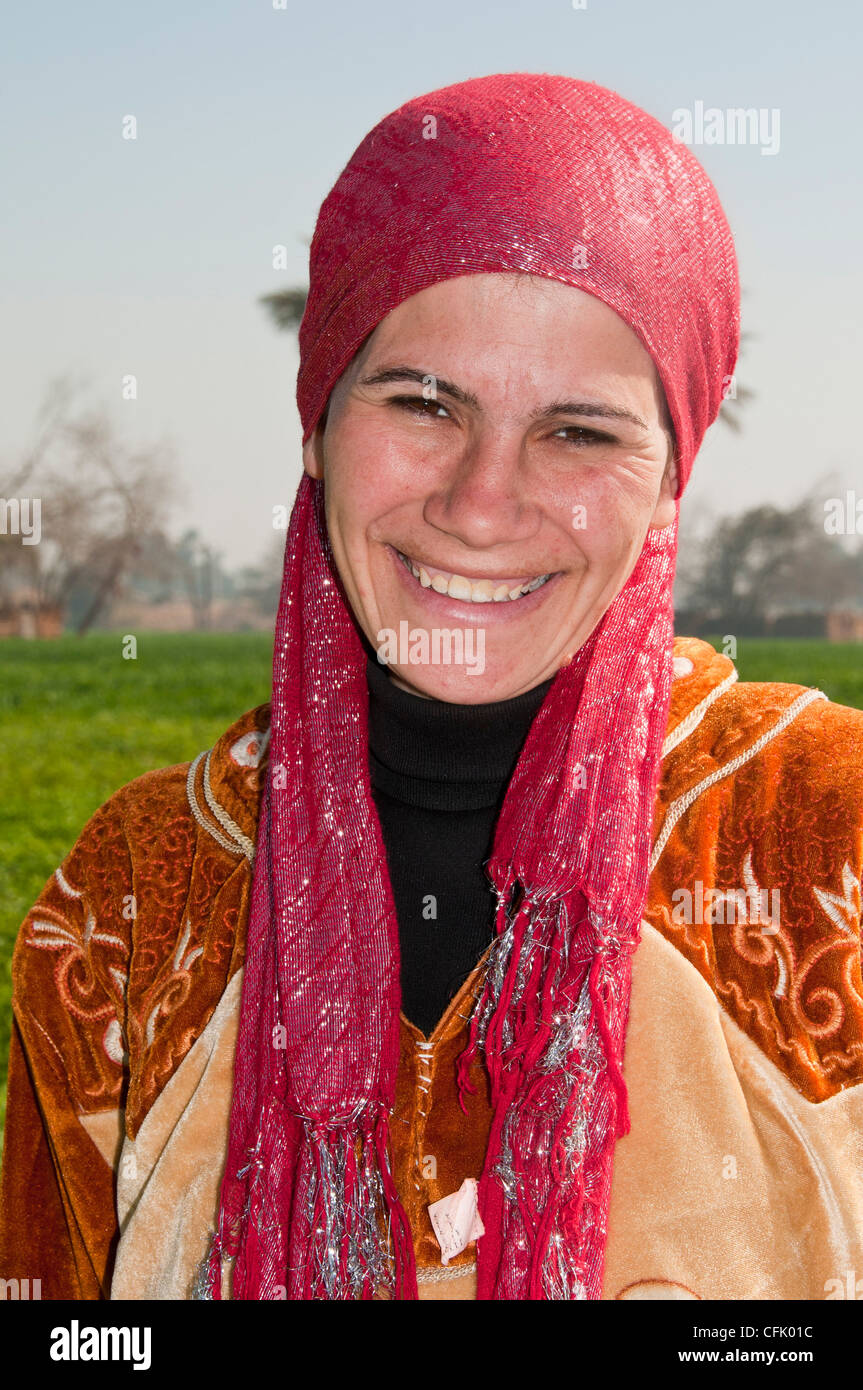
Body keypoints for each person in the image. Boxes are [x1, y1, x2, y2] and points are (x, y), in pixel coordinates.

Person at [2, 72, 862, 1303]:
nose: (478, 503)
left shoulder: (824, 842)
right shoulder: (134, 902)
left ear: (672, 479)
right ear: (315, 421)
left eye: (578, 432)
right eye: (421, 402)